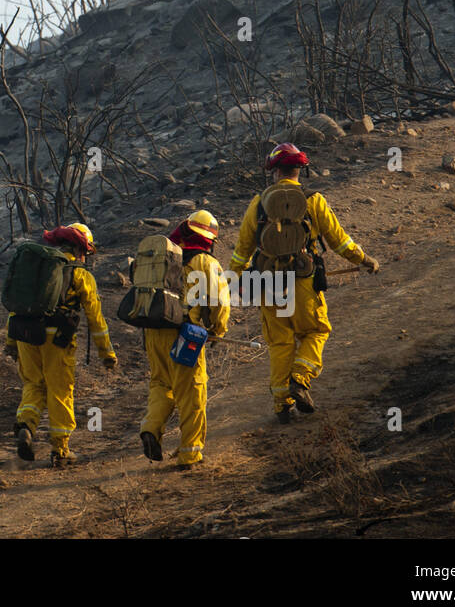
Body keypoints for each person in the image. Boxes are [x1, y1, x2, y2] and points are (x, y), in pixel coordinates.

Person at [230, 142, 379, 422]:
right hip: (303, 281)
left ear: (274, 171)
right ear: (301, 169)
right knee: (317, 330)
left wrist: (235, 282)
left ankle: (281, 405)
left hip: (267, 285)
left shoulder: (258, 204)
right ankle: (300, 379)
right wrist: (363, 259)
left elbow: (242, 250)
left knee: (280, 343)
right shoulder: (314, 200)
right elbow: (339, 241)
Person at [5, 222, 117, 467]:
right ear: (80, 249)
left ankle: (25, 425)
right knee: (60, 391)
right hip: (57, 339)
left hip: (25, 333)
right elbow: (95, 319)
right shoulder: (81, 275)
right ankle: (60, 450)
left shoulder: (38, 268)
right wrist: (106, 353)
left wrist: (10, 341)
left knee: (34, 385)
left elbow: (18, 304)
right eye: (86, 252)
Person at [139, 210, 230, 470]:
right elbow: (220, 303)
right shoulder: (205, 262)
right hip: (185, 335)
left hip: (153, 331)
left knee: (161, 383)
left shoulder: (164, 258)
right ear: (209, 238)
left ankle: (150, 428)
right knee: (192, 392)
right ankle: (190, 454)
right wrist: (217, 330)